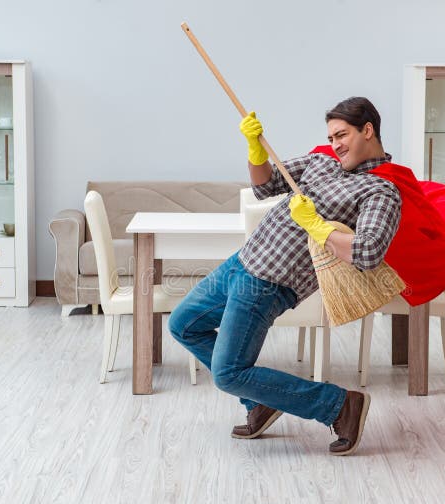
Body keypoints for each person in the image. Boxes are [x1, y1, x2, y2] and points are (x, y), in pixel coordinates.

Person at [168, 97, 402, 456]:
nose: (336, 143)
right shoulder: (322, 160)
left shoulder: (380, 190)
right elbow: (265, 185)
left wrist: (319, 228)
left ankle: (339, 405)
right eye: (332, 135)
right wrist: (254, 148)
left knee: (228, 373)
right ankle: (259, 403)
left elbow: (368, 252)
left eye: (342, 135)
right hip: (241, 262)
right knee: (183, 324)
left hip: (269, 282)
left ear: (367, 130)